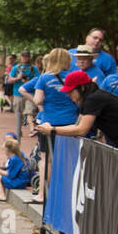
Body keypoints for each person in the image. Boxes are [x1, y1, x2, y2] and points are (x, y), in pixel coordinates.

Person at [37, 70, 118, 234]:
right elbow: (83, 125)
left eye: (71, 92)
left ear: (81, 88)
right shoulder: (94, 98)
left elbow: (81, 129)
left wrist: (53, 130)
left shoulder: (94, 99)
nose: (70, 96)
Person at [20, 48, 76, 205]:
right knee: (66, 158)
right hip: (69, 122)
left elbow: (37, 100)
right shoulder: (71, 77)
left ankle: (43, 194)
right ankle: (64, 195)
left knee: (46, 158)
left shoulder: (44, 78)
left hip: (49, 122)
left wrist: (44, 107)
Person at [7, 50, 40, 137]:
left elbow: (38, 80)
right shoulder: (16, 68)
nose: (25, 58)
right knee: (19, 113)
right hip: (18, 93)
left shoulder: (34, 68)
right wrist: (18, 78)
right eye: (23, 56)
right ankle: (19, 129)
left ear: (29, 57)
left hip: (30, 93)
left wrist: (28, 81)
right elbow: (10, 80)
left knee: (30, 111)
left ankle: (32, 129)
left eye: (26, 56)